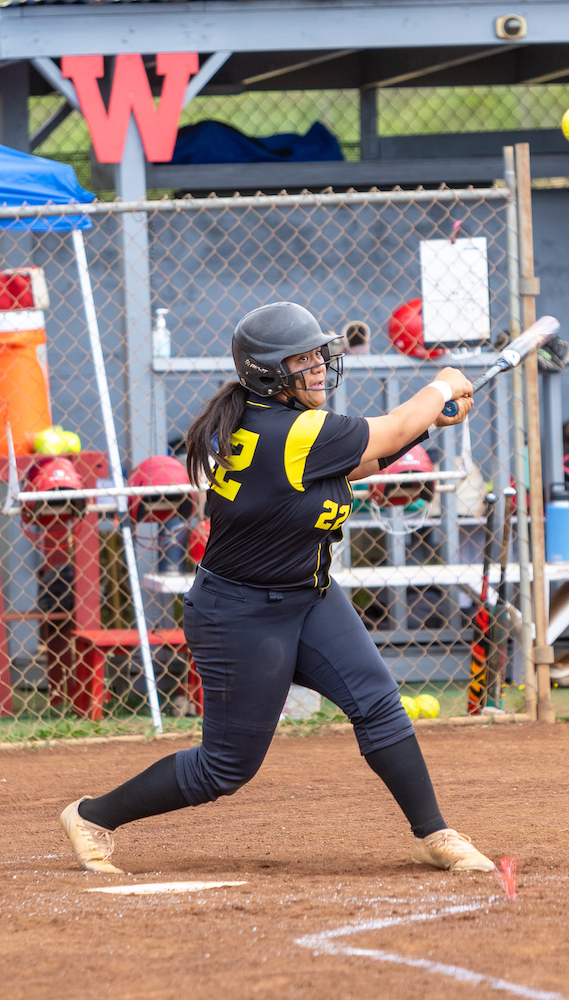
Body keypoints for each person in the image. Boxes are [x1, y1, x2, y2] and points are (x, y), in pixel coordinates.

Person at [60, 302, 493, 876]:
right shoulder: (289, 430)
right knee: (225, 768)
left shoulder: (281, 425)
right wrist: (439, 388)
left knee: (379, 704)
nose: (317, 367)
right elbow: (388, 432)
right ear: (267, 373)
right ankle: (91, 816)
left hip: (309, 597)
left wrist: (429, 418)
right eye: (302, 360)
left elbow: (362, 457)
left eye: (318, 355)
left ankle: (433, 832)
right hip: (241, 615)